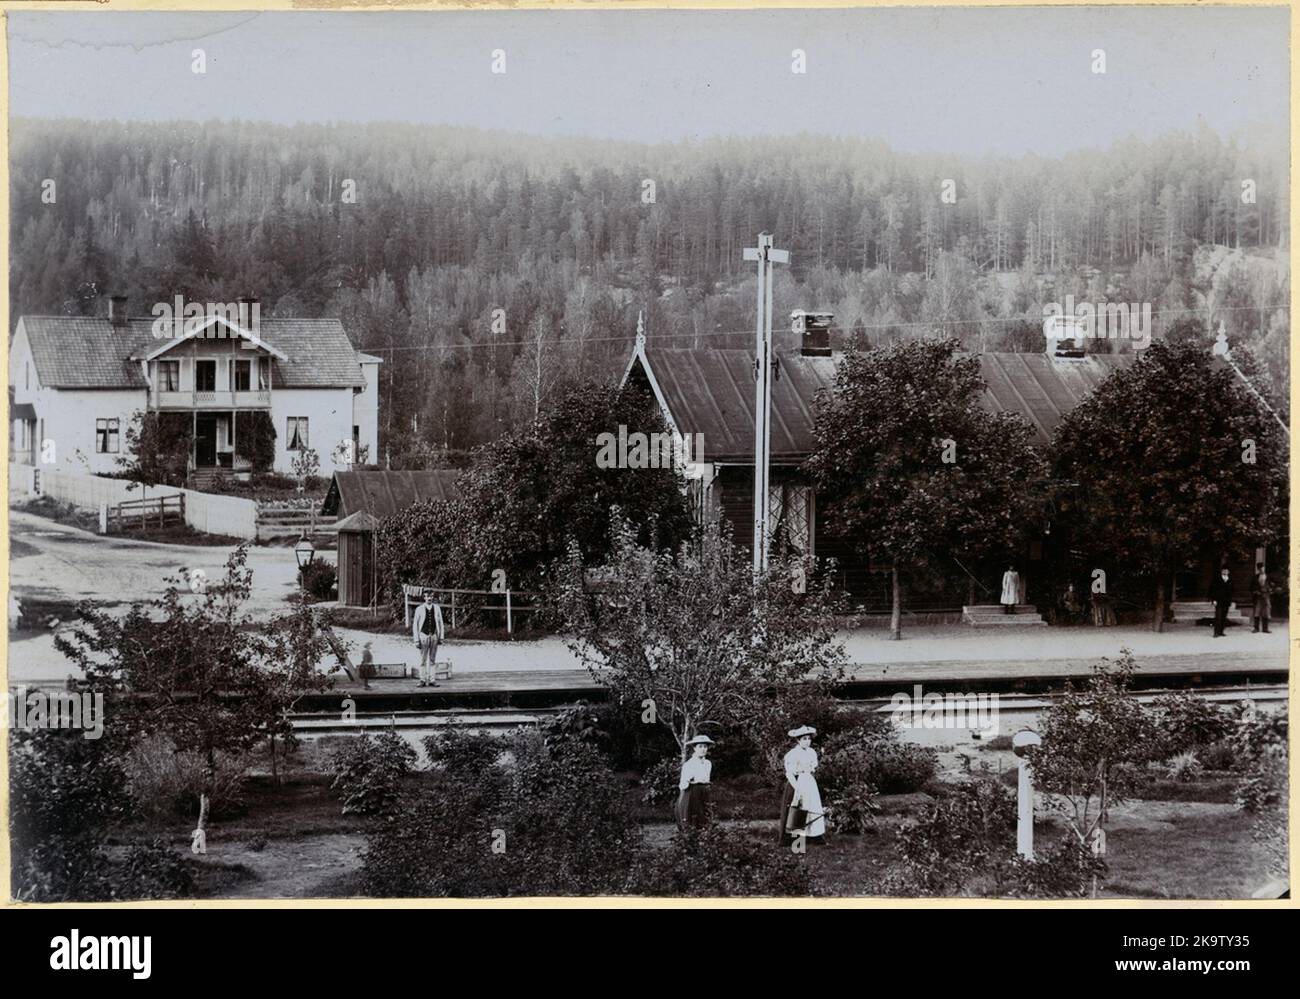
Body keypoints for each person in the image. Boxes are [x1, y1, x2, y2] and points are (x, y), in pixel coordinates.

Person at [778, 725, 825, 846]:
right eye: (804, 739)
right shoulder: (793, 754)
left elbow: (812, 768)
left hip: (809, 781)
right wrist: (796, 788)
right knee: (799, 809)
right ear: (798, 740)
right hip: (798, 782)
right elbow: (789, 773)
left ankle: (814, 836)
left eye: (809, 739)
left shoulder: (811, 752)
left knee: (812, 807)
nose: (807, 741)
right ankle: (796, 840)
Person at [676, 734, 714, 830]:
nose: (703, 749)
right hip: (691, 792)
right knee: (691, 818)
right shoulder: (689, 764)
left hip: (704, 791)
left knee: (705, 817)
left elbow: (706, 780)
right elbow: (683, 785)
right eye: (700, 746)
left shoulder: (707, 763)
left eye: (705, 746)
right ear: (694, 748)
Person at [411, 591, 445, 686]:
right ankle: (422, 680)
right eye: (427, 596)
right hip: (423, 636)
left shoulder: (437, 608)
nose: (429, 598)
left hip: (434, 636)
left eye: (431, 596)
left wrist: (441, 637)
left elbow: (441, 623)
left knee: (432, 659)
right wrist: (416, 640)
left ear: (433, 597)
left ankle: (432, 680)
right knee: (423, 659)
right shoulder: (419, 609)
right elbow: (415, 625)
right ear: (424, 598)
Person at [1209, 566, 1233, 638]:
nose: (1225, 571)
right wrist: (1213, 600)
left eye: (1227, 570)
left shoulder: (1230, 579)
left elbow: (1232, 591)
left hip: (1226, 601)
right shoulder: (1217, 579)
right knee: (1218, 616)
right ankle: (1216, 632)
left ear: (1228, 572)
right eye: (1224, 570)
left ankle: (1221, 631)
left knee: (1223, 617)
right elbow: (1212, 589)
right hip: (1218, 600)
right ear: (1221, 571)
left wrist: (1230, 600)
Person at [1250, 564, 1272, 634]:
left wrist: (1270, 590)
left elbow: (1272, 585)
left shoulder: (1268, 577)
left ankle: (1265, 629)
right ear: (1258, 569)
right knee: (1257, 612)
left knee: (1266, 612)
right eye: (1260, 569)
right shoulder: (1255, 577)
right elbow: (1250, 587)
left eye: (1263, 568)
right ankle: (1256, 628)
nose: (1262, 570)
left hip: (1266, 596)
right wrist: (1255, 592)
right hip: (1258, 597)